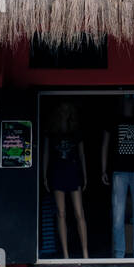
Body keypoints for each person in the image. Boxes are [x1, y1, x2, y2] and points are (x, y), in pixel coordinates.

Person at [102, 94, 134, 258]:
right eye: (126, 96)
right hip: (119, 172)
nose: (129, 99)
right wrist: (103, 169)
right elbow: (105, 145)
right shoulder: (113, 120)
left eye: (132, 96)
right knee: (118, 215)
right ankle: (119, 254)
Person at [43, 103, 88, 259]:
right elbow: (46, 154)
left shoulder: (76, 131)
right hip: (57, 171)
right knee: (61, 213)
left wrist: (84, 175)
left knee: (78, 212)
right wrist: (45, 175)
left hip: (73, 171)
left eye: (68, 109)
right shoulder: (52, 131)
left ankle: (85, 253)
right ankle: (66, 254)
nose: (65, 112)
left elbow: (82, 155)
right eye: (62, 109)